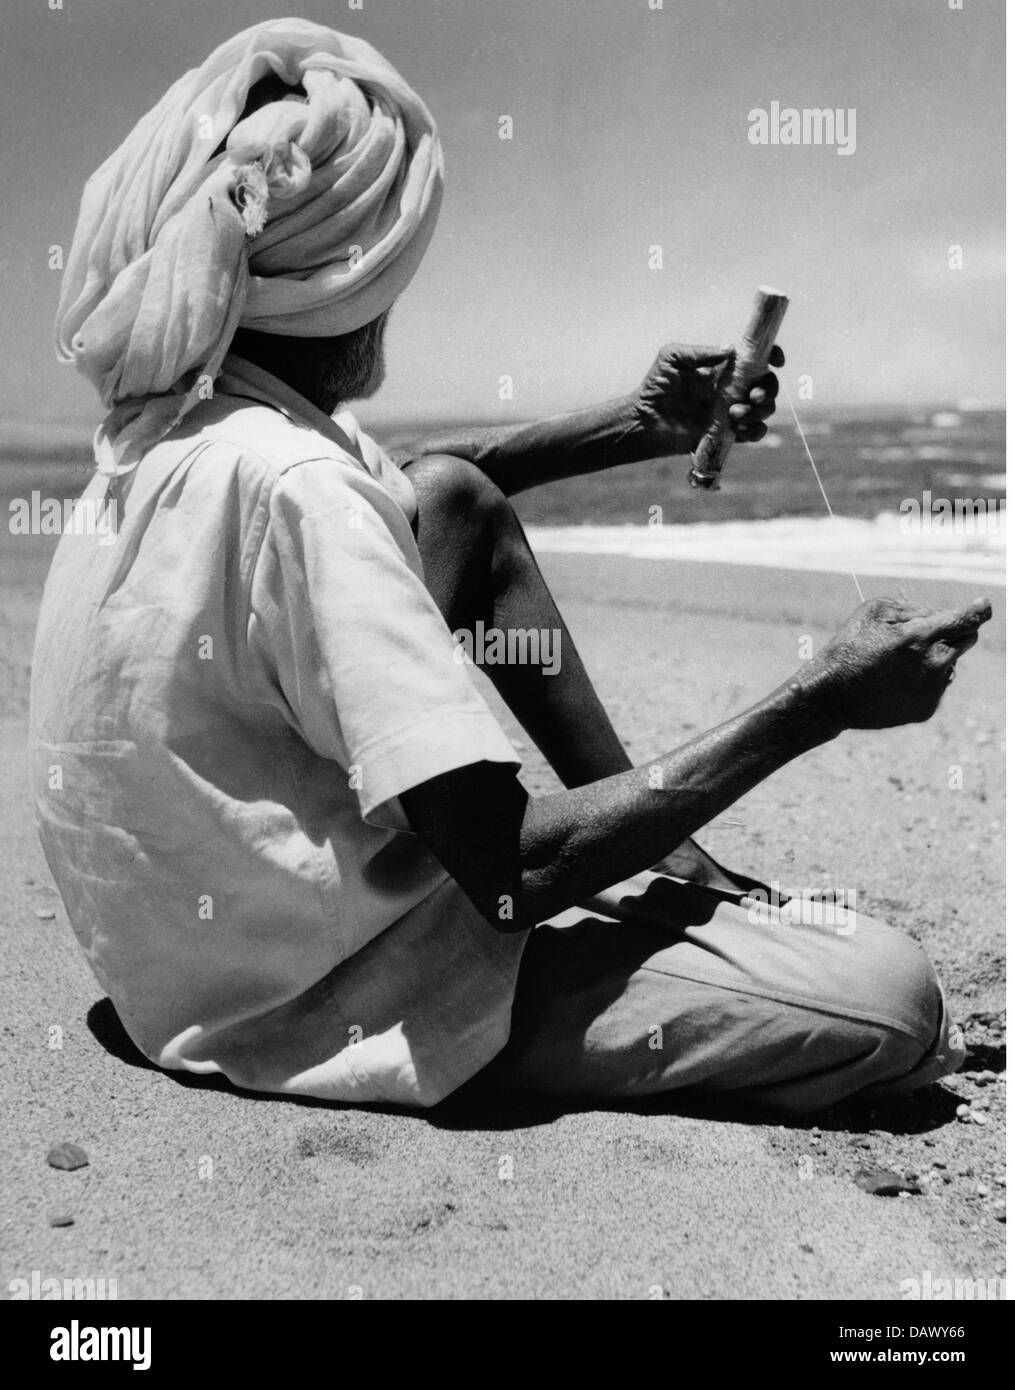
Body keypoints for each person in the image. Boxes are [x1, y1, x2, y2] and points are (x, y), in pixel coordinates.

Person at [32, 19, 988, 1116]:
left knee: (452, 502)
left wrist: (635, 425)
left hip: (176, 963)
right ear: (351, 280)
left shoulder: (179, 425)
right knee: (889, 996)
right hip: (319, 992)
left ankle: (673, 863)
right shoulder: (299, 490)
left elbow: (430, 485)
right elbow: (505, 874)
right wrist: (817, 702)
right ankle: (651, 891)